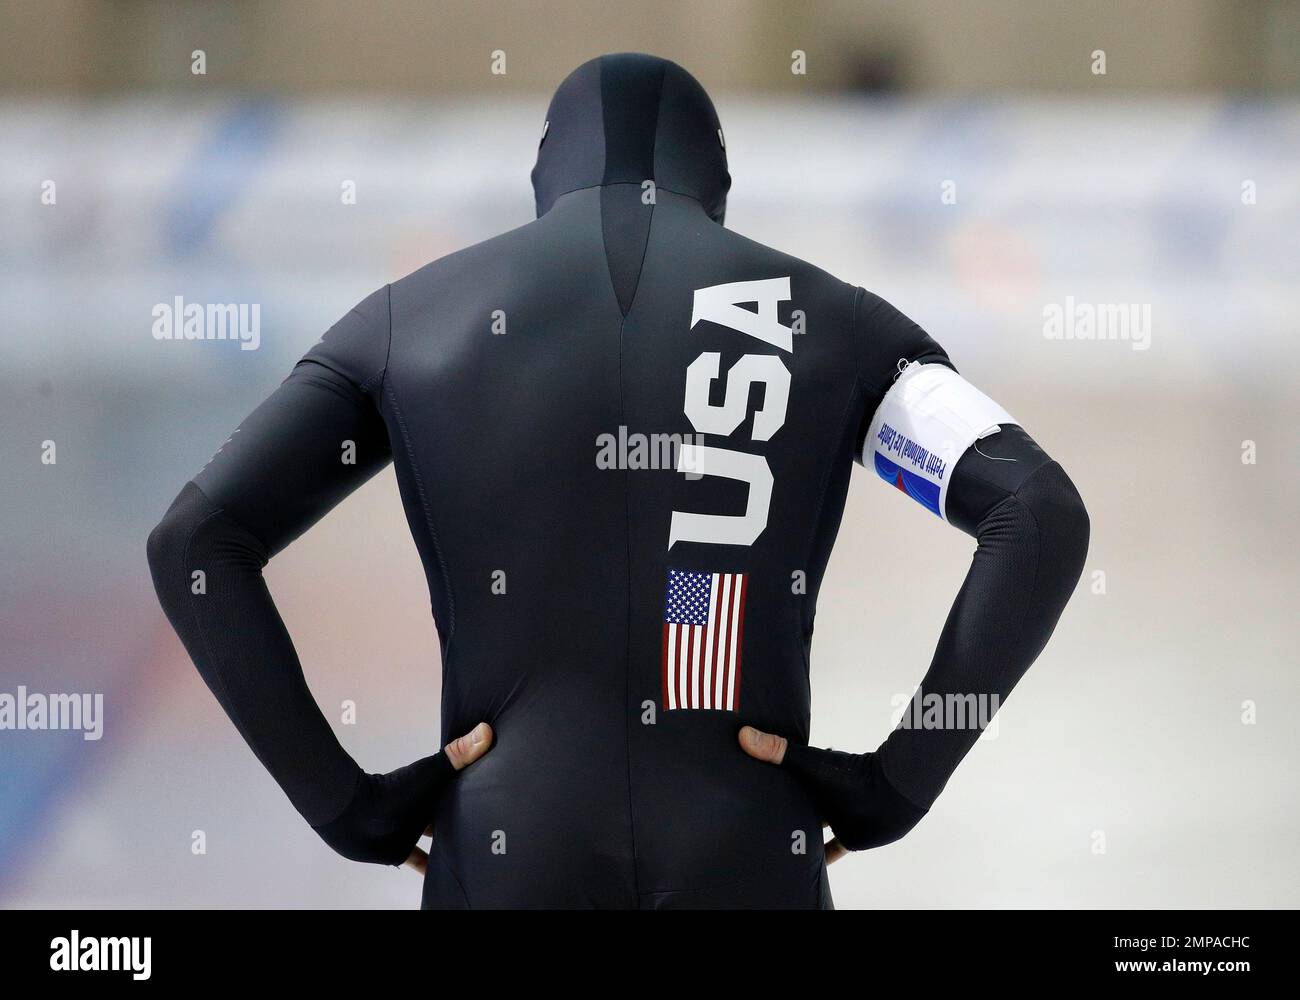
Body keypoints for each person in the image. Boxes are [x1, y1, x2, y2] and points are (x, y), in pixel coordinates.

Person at [148, 53, 1089, 909]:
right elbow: (1036, 515)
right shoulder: (833, 324)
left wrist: (346, 806)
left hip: (507, 853)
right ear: (716, 180)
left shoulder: (409, 322)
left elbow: (197, 544)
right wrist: (899, 780)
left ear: (543, 176)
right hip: (749, 852)